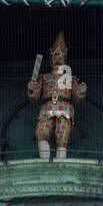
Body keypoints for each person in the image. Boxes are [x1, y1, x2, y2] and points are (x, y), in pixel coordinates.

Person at [26, 31, 87, 160]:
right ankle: (45, 161)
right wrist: (32, 90)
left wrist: (81, 92)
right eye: (55, 56)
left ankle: (60, 162)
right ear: (51, 58)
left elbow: (77, 98)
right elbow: (34, 97)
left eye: (60, 56)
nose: (57, 58)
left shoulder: (70, 78)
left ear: (65, 57)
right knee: (41, 132)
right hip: (47, 107)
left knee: (62, 136)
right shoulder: (43, 77)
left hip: (65, 107)